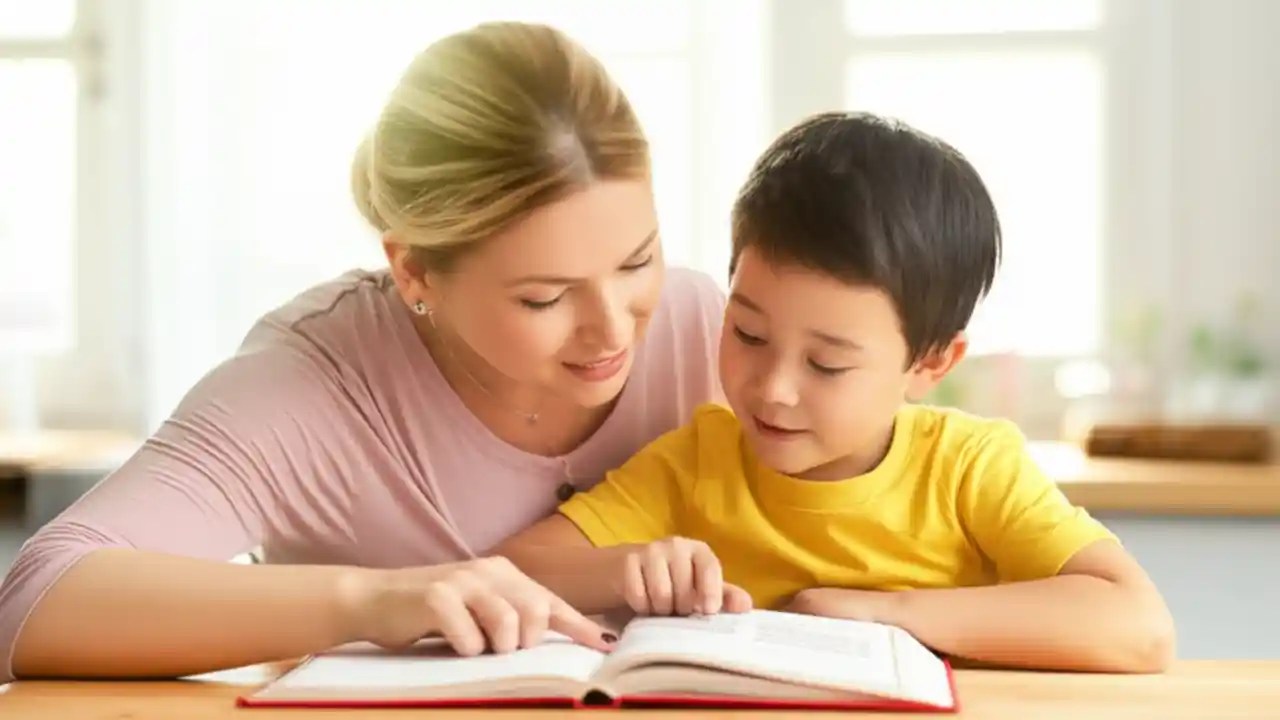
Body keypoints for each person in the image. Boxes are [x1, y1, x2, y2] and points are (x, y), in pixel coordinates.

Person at [0, 21, 728, 682]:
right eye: (545, 297)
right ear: (413, 270)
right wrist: (375, 599)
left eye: (637, 262)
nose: (613, 330)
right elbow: (34, 602)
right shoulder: (317, 380)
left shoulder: (705, 330)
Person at [498, 112, 1177, 673]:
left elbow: (1139, 627)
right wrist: (627, 568)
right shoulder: (697, 463)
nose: (773, 390)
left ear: (931, 362)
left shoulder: (969, 468)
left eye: (827, 365)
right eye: (749, 334)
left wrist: (888, 614)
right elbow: (517, 567)